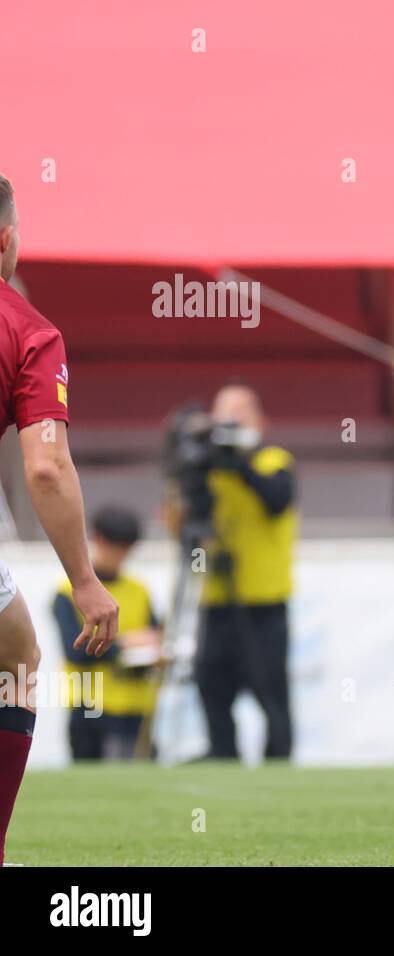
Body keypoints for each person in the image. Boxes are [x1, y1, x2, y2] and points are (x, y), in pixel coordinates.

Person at [0, 174, 119, 865]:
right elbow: (45, 467)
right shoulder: (28, 331)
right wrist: (84, 578)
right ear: (7, 241)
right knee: (15, 658)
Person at [194, 384, 298, 760]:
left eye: (242, 412)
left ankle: (278, 764)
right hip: (215, 601)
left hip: (263, 603)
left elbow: (277, 499)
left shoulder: (273, 460)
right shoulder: (206, 472)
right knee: (211, 687)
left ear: (261, 422)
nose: (233, 420)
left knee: (271, 693)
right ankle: (222, 757)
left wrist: (239, 464)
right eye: (225, 412)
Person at [54, 506, 161, 761]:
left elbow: (155, 638)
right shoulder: (67, 592)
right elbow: (75, 651)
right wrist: (124, 645)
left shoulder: (140, 590)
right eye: (117, 548)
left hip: (136, 707)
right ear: (99, 540)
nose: (122, 556)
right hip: (91, 708)